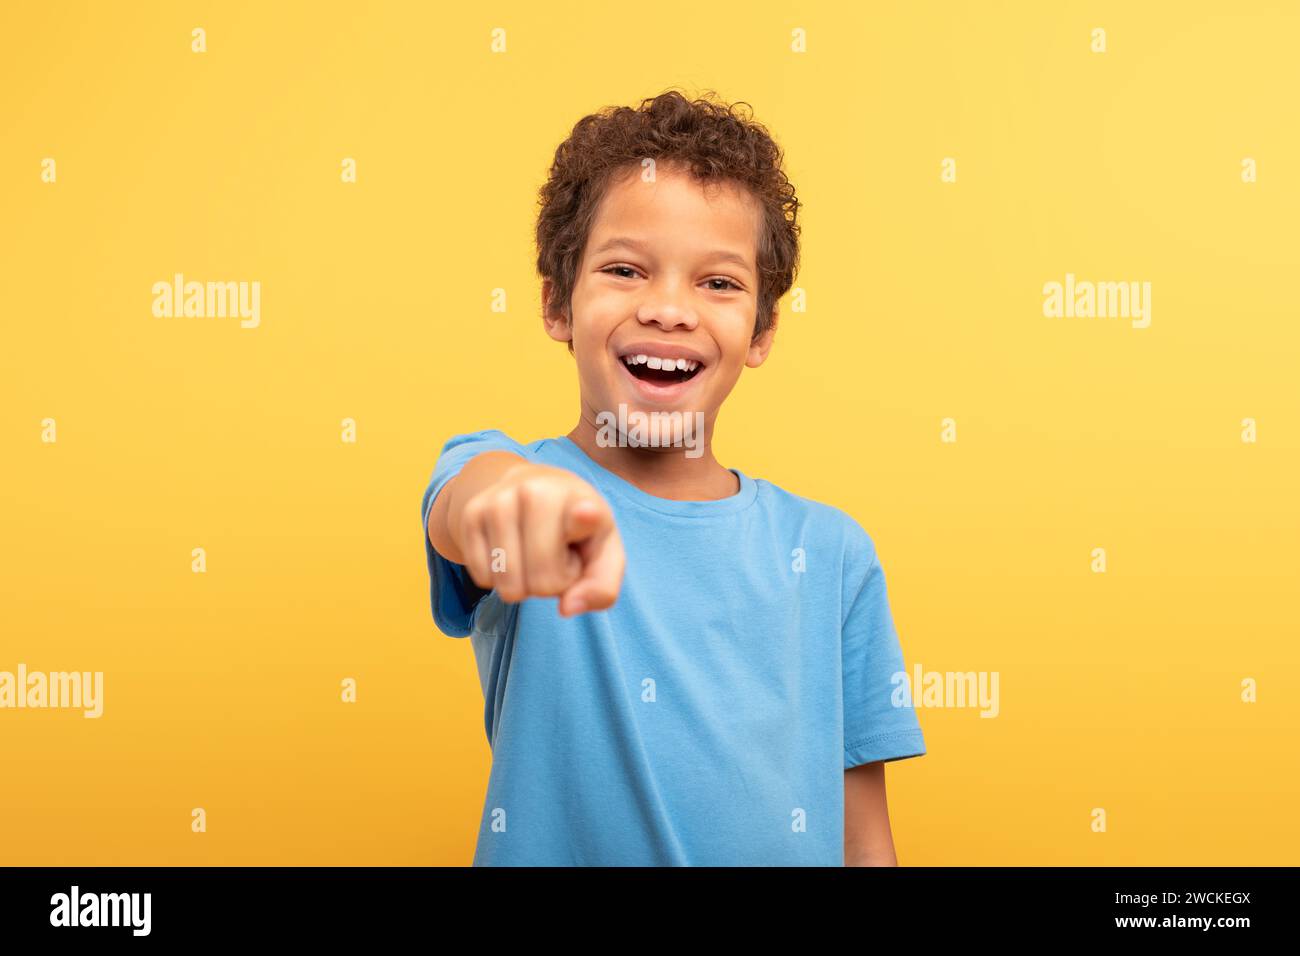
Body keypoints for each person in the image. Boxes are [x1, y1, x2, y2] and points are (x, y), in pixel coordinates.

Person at [422, 89, 926, 865]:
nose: (668, 309)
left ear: (760, 331)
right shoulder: (526, 484)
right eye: (625, 269)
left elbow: (864, 838)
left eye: (717, 283)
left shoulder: (831, 555)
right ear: (557, 304)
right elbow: (468, 500)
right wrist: (509, 501)